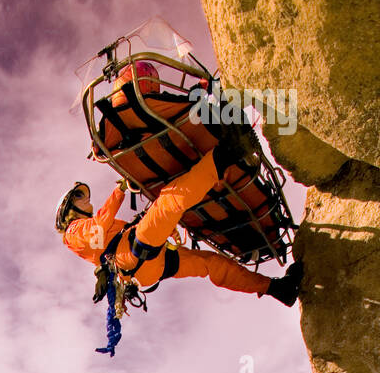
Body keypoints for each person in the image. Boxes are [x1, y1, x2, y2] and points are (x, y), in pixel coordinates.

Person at [56, 127, 303, 352]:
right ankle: (226, 154)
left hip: (146, 261)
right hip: (134, 253)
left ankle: (277, 289)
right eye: (78, 196)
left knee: (211, 264)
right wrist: (120, 191)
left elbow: (105, 232)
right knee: (170, 202)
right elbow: (99, 227)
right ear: (69, 212)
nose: (84, 198)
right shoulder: (73, 232)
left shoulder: (84, 230)